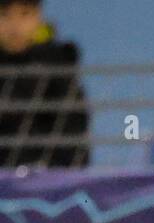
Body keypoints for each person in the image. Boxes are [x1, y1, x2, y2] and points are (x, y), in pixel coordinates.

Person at [0, 0, 89, 169]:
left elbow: (74, 128)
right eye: (4, 14)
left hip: (48, 178)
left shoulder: (59, 65)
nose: (14, 26)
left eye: (24, 14)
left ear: (38, 16)